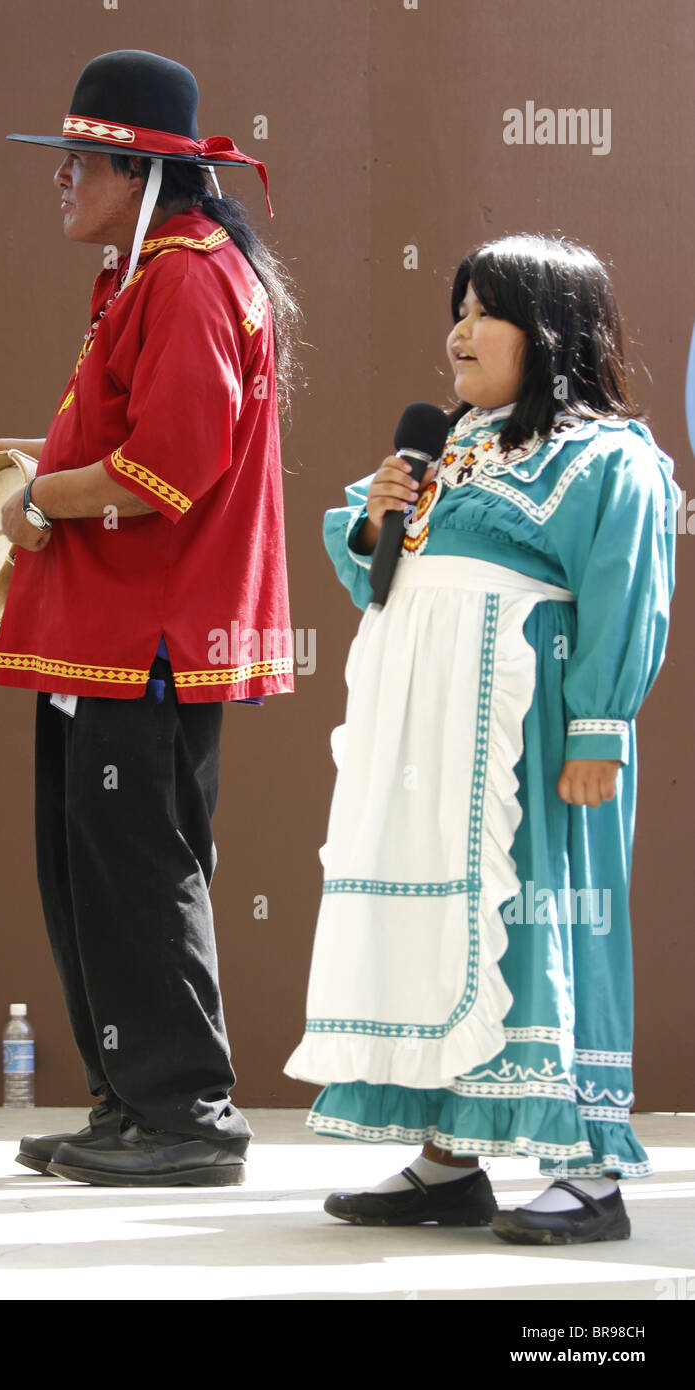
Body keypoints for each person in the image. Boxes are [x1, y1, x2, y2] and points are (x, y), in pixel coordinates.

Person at [0, 50, 299, 1186]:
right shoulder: (159, 272)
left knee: (136, 865)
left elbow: (164, 471)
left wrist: (27, 499)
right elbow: (112, 456)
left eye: (77, 159)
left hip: (150, 634)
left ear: (137, 168)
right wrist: (5, 461)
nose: (61, 180)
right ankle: (133, 1102)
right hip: (116, 631)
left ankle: (188, 1115)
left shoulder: (182, 277)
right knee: (92, 868)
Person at [285, 234, 678, 1243]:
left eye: (482, 311)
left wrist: (598, 728)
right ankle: (450, 1158)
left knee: (547, 922)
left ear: (547, 333)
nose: (456, 333)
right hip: (429, 746)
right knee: (453, 930)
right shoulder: (450, 445)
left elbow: (622, 589)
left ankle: (587, 1173)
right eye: (454, 310)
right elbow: (381, 575)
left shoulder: (605, 456)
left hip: (533, 731)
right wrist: (376, 521)